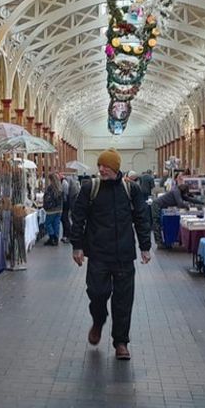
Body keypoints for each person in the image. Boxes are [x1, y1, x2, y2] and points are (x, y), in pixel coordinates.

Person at [70, 149, 151, 360]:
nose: (101, 169)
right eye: (99, 165)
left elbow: (142, 217)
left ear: (115, 167)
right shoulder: (90, 188)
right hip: (98, 254)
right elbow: (77, 217)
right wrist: (77, 246)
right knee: (97, 293)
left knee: (123, 300)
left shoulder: (130, 189)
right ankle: (98, 320)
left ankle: (121, 342)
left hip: (124, 255)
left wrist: (145, 246)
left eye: (105, 166)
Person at [43, 173, 63, 246]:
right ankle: (56, 239)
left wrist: (45, 206)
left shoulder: (50, 188)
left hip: (51, 210)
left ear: (51, 180)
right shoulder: (59, 187)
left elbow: (47, 199)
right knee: (56, 224)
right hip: (59, 209)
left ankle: (52, 238)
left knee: (48, 224)